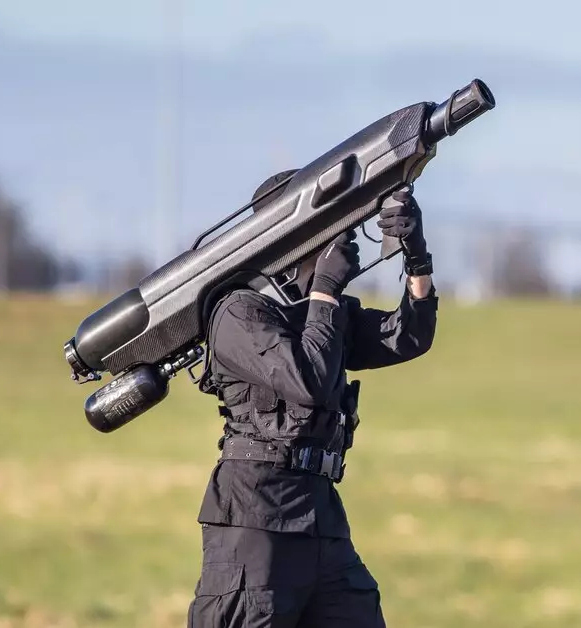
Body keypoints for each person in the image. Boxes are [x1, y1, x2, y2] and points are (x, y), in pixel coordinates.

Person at [186, 169, 438, 627]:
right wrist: (325, 291)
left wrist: (416, 256)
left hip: (321, 519)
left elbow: (409, 338)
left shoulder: (324, 312)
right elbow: (308, 381)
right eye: (330, 229)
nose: (343, 238)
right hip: (256, 522)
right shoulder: (238, 312)